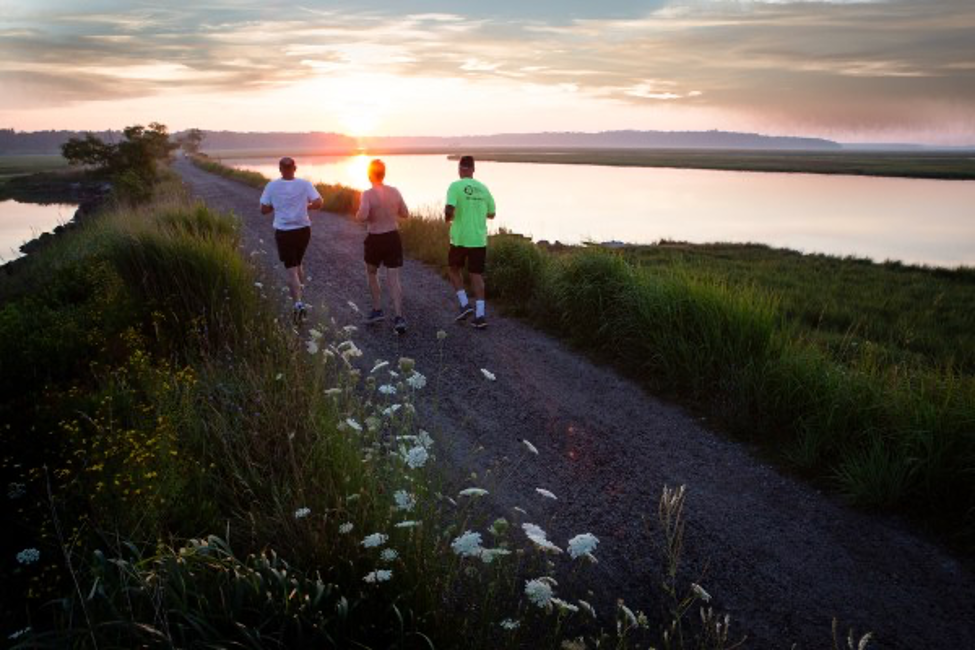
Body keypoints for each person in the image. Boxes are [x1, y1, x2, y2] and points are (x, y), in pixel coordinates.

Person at [259, 157, 322, 323]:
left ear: (280, 169)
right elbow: (319, 202)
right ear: (295, 168)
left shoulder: (272, 186)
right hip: (303, 230)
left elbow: (263, 209)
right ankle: (300, 293)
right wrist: (305, 206)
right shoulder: (304, 184)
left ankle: (298, 304)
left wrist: (277, 205)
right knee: (298, 263)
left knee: (291, 269)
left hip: (284, 232)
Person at [355, 159, 410, 334]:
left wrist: (359, 214)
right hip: (393, 236)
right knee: (393, 278)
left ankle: (378, 309)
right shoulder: (395, 191)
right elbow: (405, 213)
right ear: (384, 174)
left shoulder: (367, 194)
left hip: (376, 238)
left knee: (372, 272)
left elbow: (362, 216)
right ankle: (399, 317)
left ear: (370, 175)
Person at [445, 155, 496, 329]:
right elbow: (492, 213)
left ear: (460, 169)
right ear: (473, 169)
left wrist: (447, 218)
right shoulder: (483, 188)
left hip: (460, 238)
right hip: (479, 239)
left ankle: (465, 305)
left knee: (453, 269)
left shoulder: (455, 186)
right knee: (476, 275)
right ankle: (480, 315)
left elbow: (449, 208)